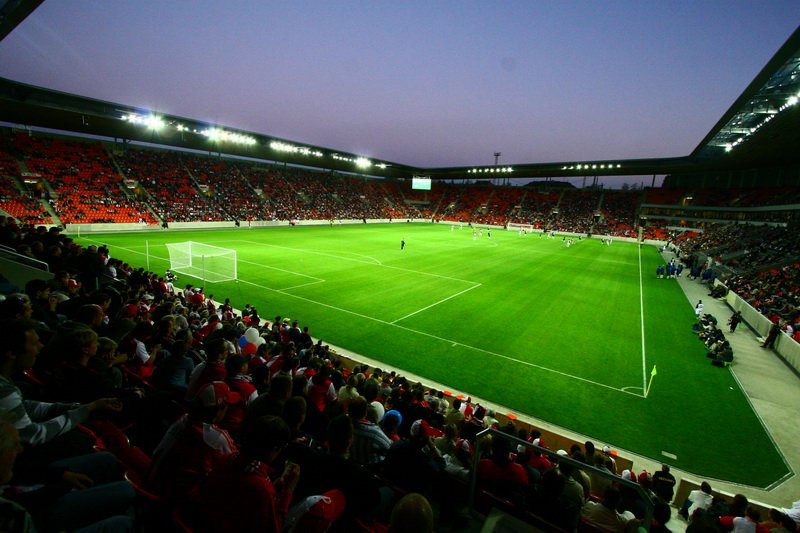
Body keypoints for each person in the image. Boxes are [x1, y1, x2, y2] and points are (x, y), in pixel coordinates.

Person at [198, 415, 300, 533]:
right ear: (275, 449)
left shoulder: (227, 458)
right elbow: (273, 528)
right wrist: (288, 492)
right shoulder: (261, 487)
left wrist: (273, 488)